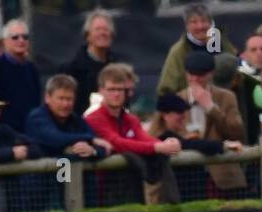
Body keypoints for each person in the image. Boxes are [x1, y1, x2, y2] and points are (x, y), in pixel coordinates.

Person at [86, 63, 189, 202]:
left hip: (132, 185)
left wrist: (165, 144)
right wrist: (158, 146)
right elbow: (117, 142)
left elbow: (143, 138)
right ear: (101, 91)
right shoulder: (93, 118)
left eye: (120, 89)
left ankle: (170, 201)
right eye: (111, 89)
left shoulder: (131, 119)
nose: (116, 94)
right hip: (102, 188)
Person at [146, 92, 244, 200]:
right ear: (165, 115)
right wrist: (224, 145)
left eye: (184, 111)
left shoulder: (169, 136)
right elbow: (190, 145)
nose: (183, 115)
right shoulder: (164, 138)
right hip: (171, 198)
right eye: (179, 111)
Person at [25, 74, 110, 159]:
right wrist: (90, 139)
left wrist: (92, 150)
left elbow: (102, 146)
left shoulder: (75, 119)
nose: (65, 104)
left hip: (72, 172)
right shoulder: (37, 118)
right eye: (61, 99)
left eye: (69, 99)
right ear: (47, 98)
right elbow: (55, 139)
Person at [0, 19, 41, 133]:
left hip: (30, 132)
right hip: (3, 134)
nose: (21, 40)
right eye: (15, 37)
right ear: (5, 41)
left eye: (25, 37)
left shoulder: (31, 68)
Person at [159, 3, 235, 97]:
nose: (200, 26)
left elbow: (239, 75)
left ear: (211, 23)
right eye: (194, 22)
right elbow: (166, 89)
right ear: (186, 26)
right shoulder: (178, 52)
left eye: (204, 21)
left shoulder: (223, 45)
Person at [63, 9, 120, 115]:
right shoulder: (72, 70)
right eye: (98, 29)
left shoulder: (118, 69)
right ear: (87, 35)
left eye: (106, 29)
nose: (102, 33)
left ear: (112, 35)